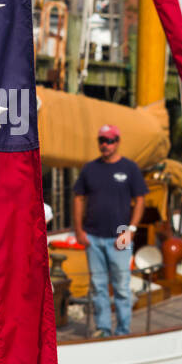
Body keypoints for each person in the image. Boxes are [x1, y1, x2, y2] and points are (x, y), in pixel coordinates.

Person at [72, 124, 148, 337]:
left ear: (118, 142)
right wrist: (79, 230)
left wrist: (130, 230)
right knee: (98, 287)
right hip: (93, 236)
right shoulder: (89, 169)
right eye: (102, 140)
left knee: (122, 287)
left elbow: (140, 200)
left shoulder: (130, 168)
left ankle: (123, 331)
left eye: (109, 140)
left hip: (121, 234)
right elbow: (78, 198)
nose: (105, 145)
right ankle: (103, 329)